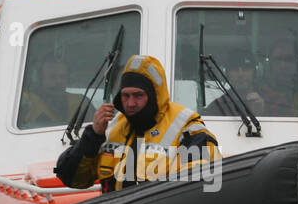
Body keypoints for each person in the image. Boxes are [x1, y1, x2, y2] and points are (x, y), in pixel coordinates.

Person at [55, 54, 220, 193]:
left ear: (154, 95)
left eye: (138, 95)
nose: (130, 104)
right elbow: (72, 178)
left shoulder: (187, 127)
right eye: (125, 96)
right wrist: (93, 135)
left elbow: (204, 188)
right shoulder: (111, 128)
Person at [255, 38, 298, 116]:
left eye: (289, 59)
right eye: (278, 59)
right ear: (269, 63)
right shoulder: (259, 93)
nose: (283, 65)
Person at [18, 55, 79, 128]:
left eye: (62, 77)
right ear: (40, 78)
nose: (58, 81)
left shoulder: (80, 102)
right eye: (52, 76)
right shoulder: (24, 101)